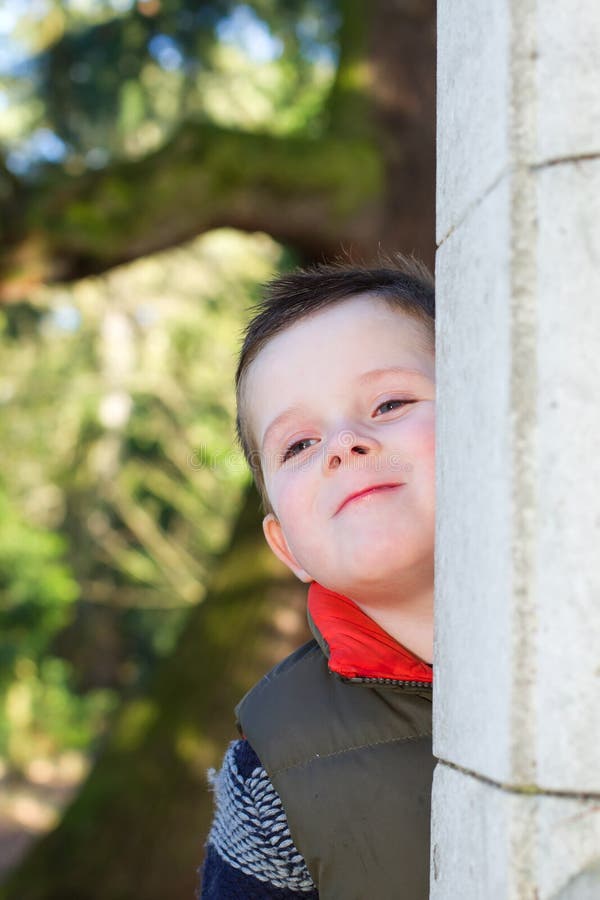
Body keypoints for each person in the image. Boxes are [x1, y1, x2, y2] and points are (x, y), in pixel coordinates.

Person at [199, 258, 436, 899]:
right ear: (287, 548)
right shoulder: (271, 774)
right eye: (298, 445)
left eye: (390, 403)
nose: (343, 444)